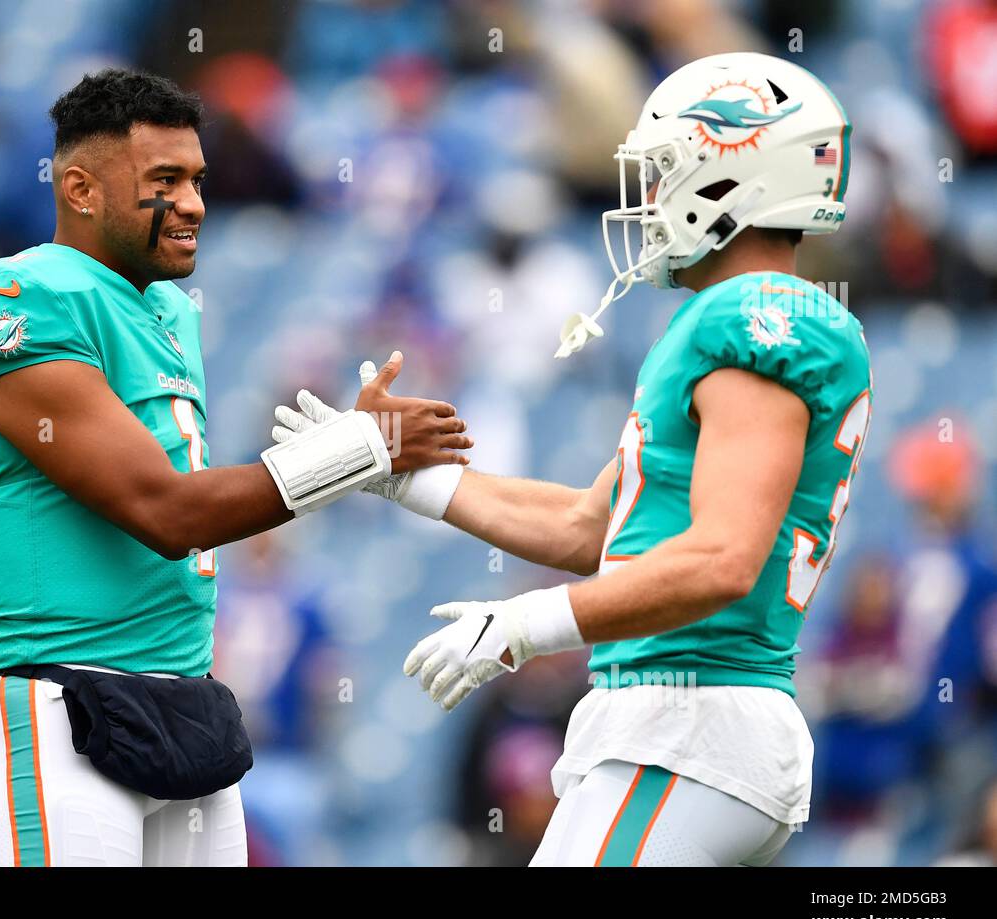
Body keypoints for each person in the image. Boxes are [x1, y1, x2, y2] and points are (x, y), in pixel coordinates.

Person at [276, 52, 870, 866]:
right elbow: (595, 525)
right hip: (682, 725)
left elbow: (726, 558)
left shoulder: (754, 314)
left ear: (735, 179)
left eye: (668, 170)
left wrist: (529, 625)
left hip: (689, 723)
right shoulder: (729, 319)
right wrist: (406, 475)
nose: (652, 197)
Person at [0, 69, 471, 867]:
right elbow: (165, 512)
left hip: (185, 698)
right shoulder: (16, 295)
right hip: (61, 699)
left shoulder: (169, 309)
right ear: (80, 189)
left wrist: (353, 453)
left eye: (196, 179)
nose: (192, 202)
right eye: (166, 181)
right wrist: (360, 449)